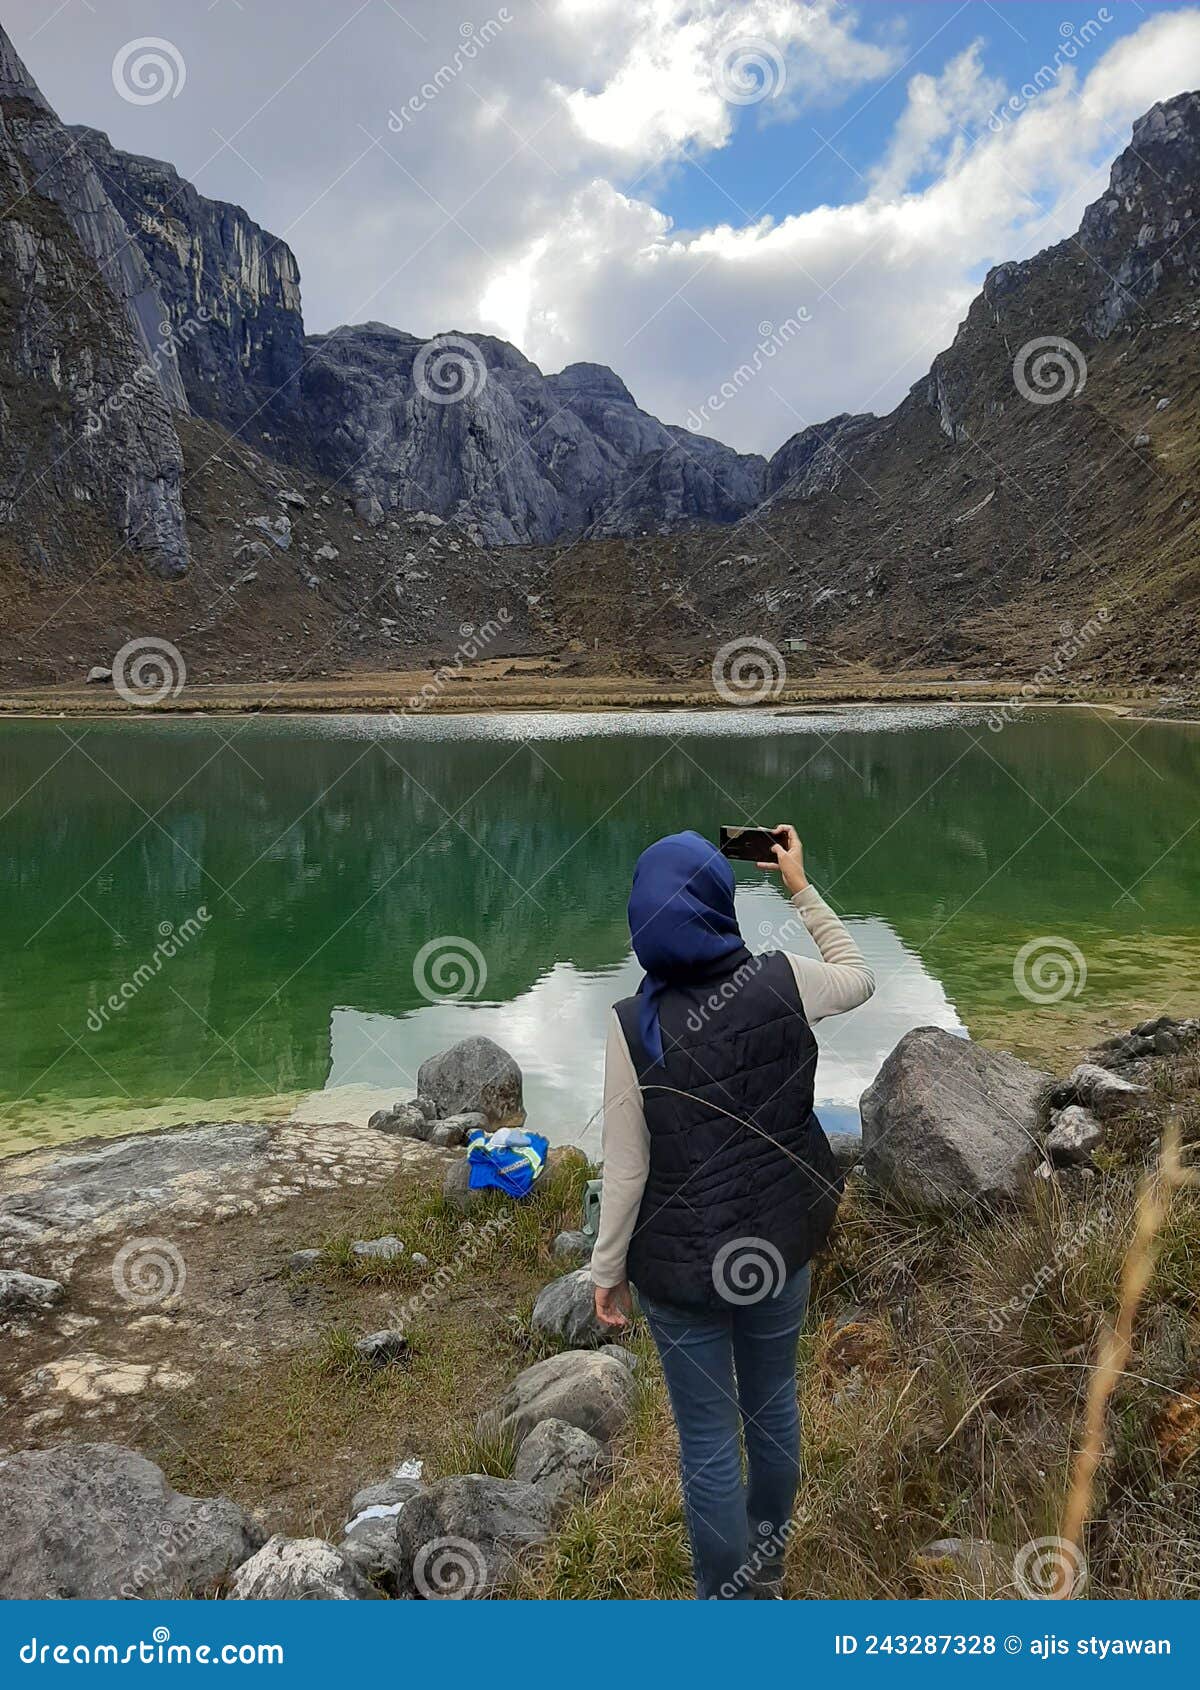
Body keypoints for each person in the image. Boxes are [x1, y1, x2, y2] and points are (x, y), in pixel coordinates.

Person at [590, 825, 875, 1599]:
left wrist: (606, 1269)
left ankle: (726, 1608)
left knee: (710, 1444)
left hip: (681, 1274)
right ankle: (768, 1575)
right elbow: (860, 976)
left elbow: (627, 1166)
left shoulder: (630, 1025)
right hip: (782, 1247)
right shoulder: (785, 980)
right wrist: (800, 888)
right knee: (774, 1409)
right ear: (719, 905)